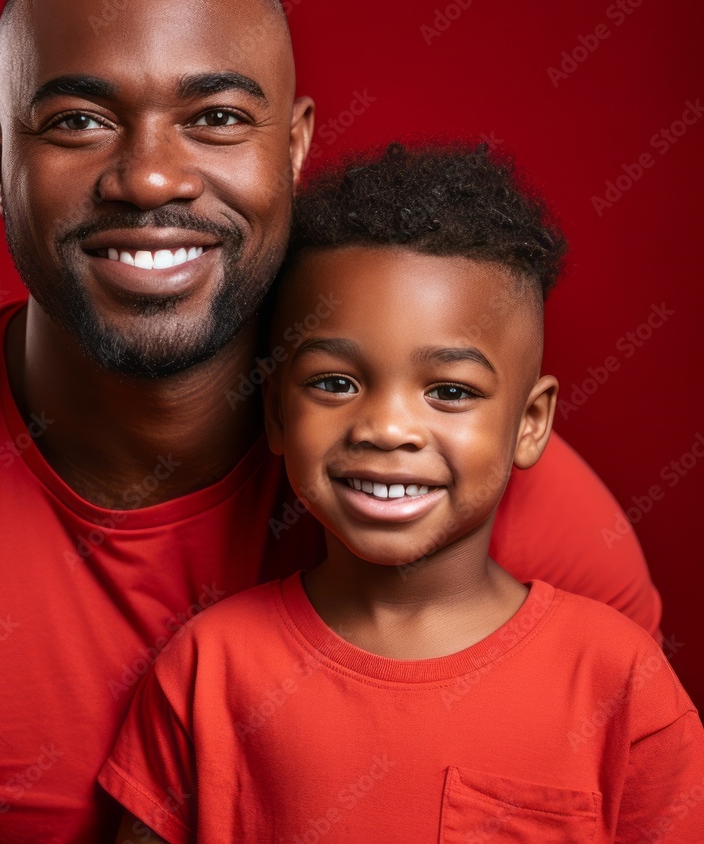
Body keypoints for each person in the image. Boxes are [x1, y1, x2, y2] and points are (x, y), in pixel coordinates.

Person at [0, 0, 662, 843]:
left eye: (216, 118)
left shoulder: (525, 527)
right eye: (78, 121)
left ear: (293, 148)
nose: (151, 178)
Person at [100, 144, 704, 844]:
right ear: (275, 413)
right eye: (335, 383)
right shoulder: (207, 672)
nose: (386, 428)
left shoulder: (617, 680)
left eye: (450, 391)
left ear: (530, 423)